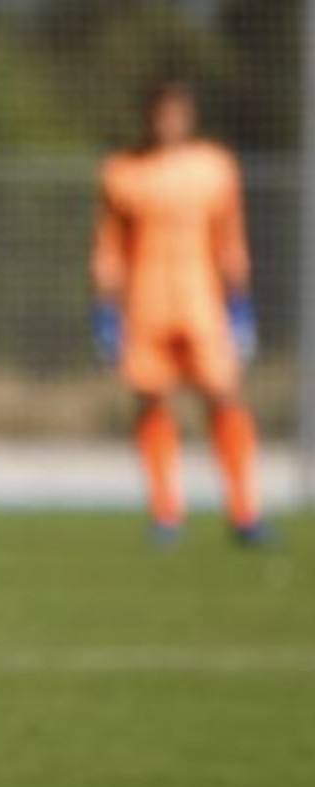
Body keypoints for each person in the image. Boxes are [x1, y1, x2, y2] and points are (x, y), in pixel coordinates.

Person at [92, 80, 271, 546]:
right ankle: (166, 512)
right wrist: (107, 312)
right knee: (152, 399)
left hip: (201, 300)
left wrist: (240, 307)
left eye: (174, 114)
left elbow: (230, 239)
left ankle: (244, 510)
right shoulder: (124, 172)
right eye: (158, 114)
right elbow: (111, 248)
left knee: (224, 395)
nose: (165, 123)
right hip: (147, 302)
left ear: (187, 117)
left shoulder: (214, 168)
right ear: (148, 117)